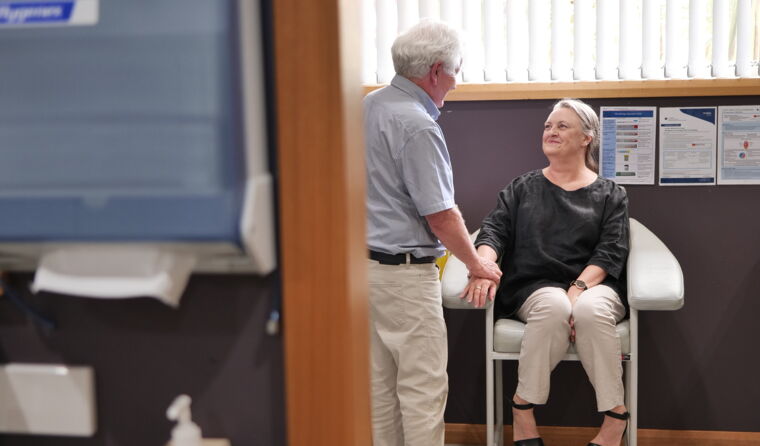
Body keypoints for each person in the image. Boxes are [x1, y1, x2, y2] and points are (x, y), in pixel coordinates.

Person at [363, 20, 502, 446]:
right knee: (423, 389)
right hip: (405, 277)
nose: (457, 83)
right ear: (437, 70)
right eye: (456, 71)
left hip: (363, 270)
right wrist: (477, 264)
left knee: (379, 390)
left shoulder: (368, 106)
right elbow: (440, 215)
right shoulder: (417, 125)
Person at [463, 99, 630, 446]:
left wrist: (578, 289)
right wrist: (483, 266)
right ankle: (523, 410)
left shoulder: (611, 194)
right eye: (548, 126)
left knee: (589, 310)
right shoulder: (522, 188)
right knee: (555, 306)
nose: (551, 132)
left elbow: (611, 250)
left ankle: (616, 417)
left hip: (595, 284)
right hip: (534, 287)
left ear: (586, 138)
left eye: (562, 126)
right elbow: (493, 231)